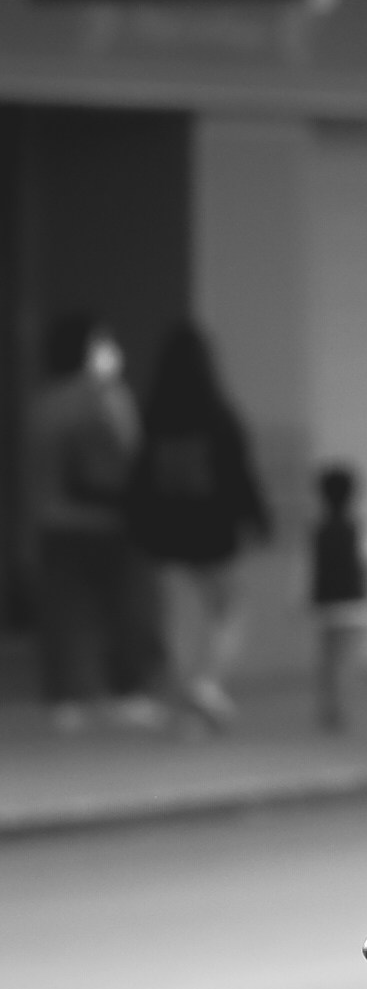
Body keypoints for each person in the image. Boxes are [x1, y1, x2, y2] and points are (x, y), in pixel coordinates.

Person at [128, 321, 274, 728]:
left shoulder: (152, 416)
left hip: (166, 533)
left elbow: (138, 478)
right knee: (228, 608)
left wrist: (136, 525)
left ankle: (183, 685)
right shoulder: (219, 415)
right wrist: (259, 520)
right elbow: (240, 474)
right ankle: (207, 680)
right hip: (214, 530)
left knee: (175, 613)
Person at [28, 309, 157, 729]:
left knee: (66, 611)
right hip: (110, 521)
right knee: (124, 609)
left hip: (55, 521)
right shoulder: (104, 396)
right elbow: (130, 453)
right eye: (104, 342)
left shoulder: (43, 401)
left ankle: (67, 697)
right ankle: (126, 692)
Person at [309, 463, 367, 732]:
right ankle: (342, 711)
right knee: (347, 660)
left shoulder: (316, 529)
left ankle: (330, 709)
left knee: (328, 660)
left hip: (325, 603)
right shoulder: (360, 528)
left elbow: (305, 567)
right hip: (355, 604)